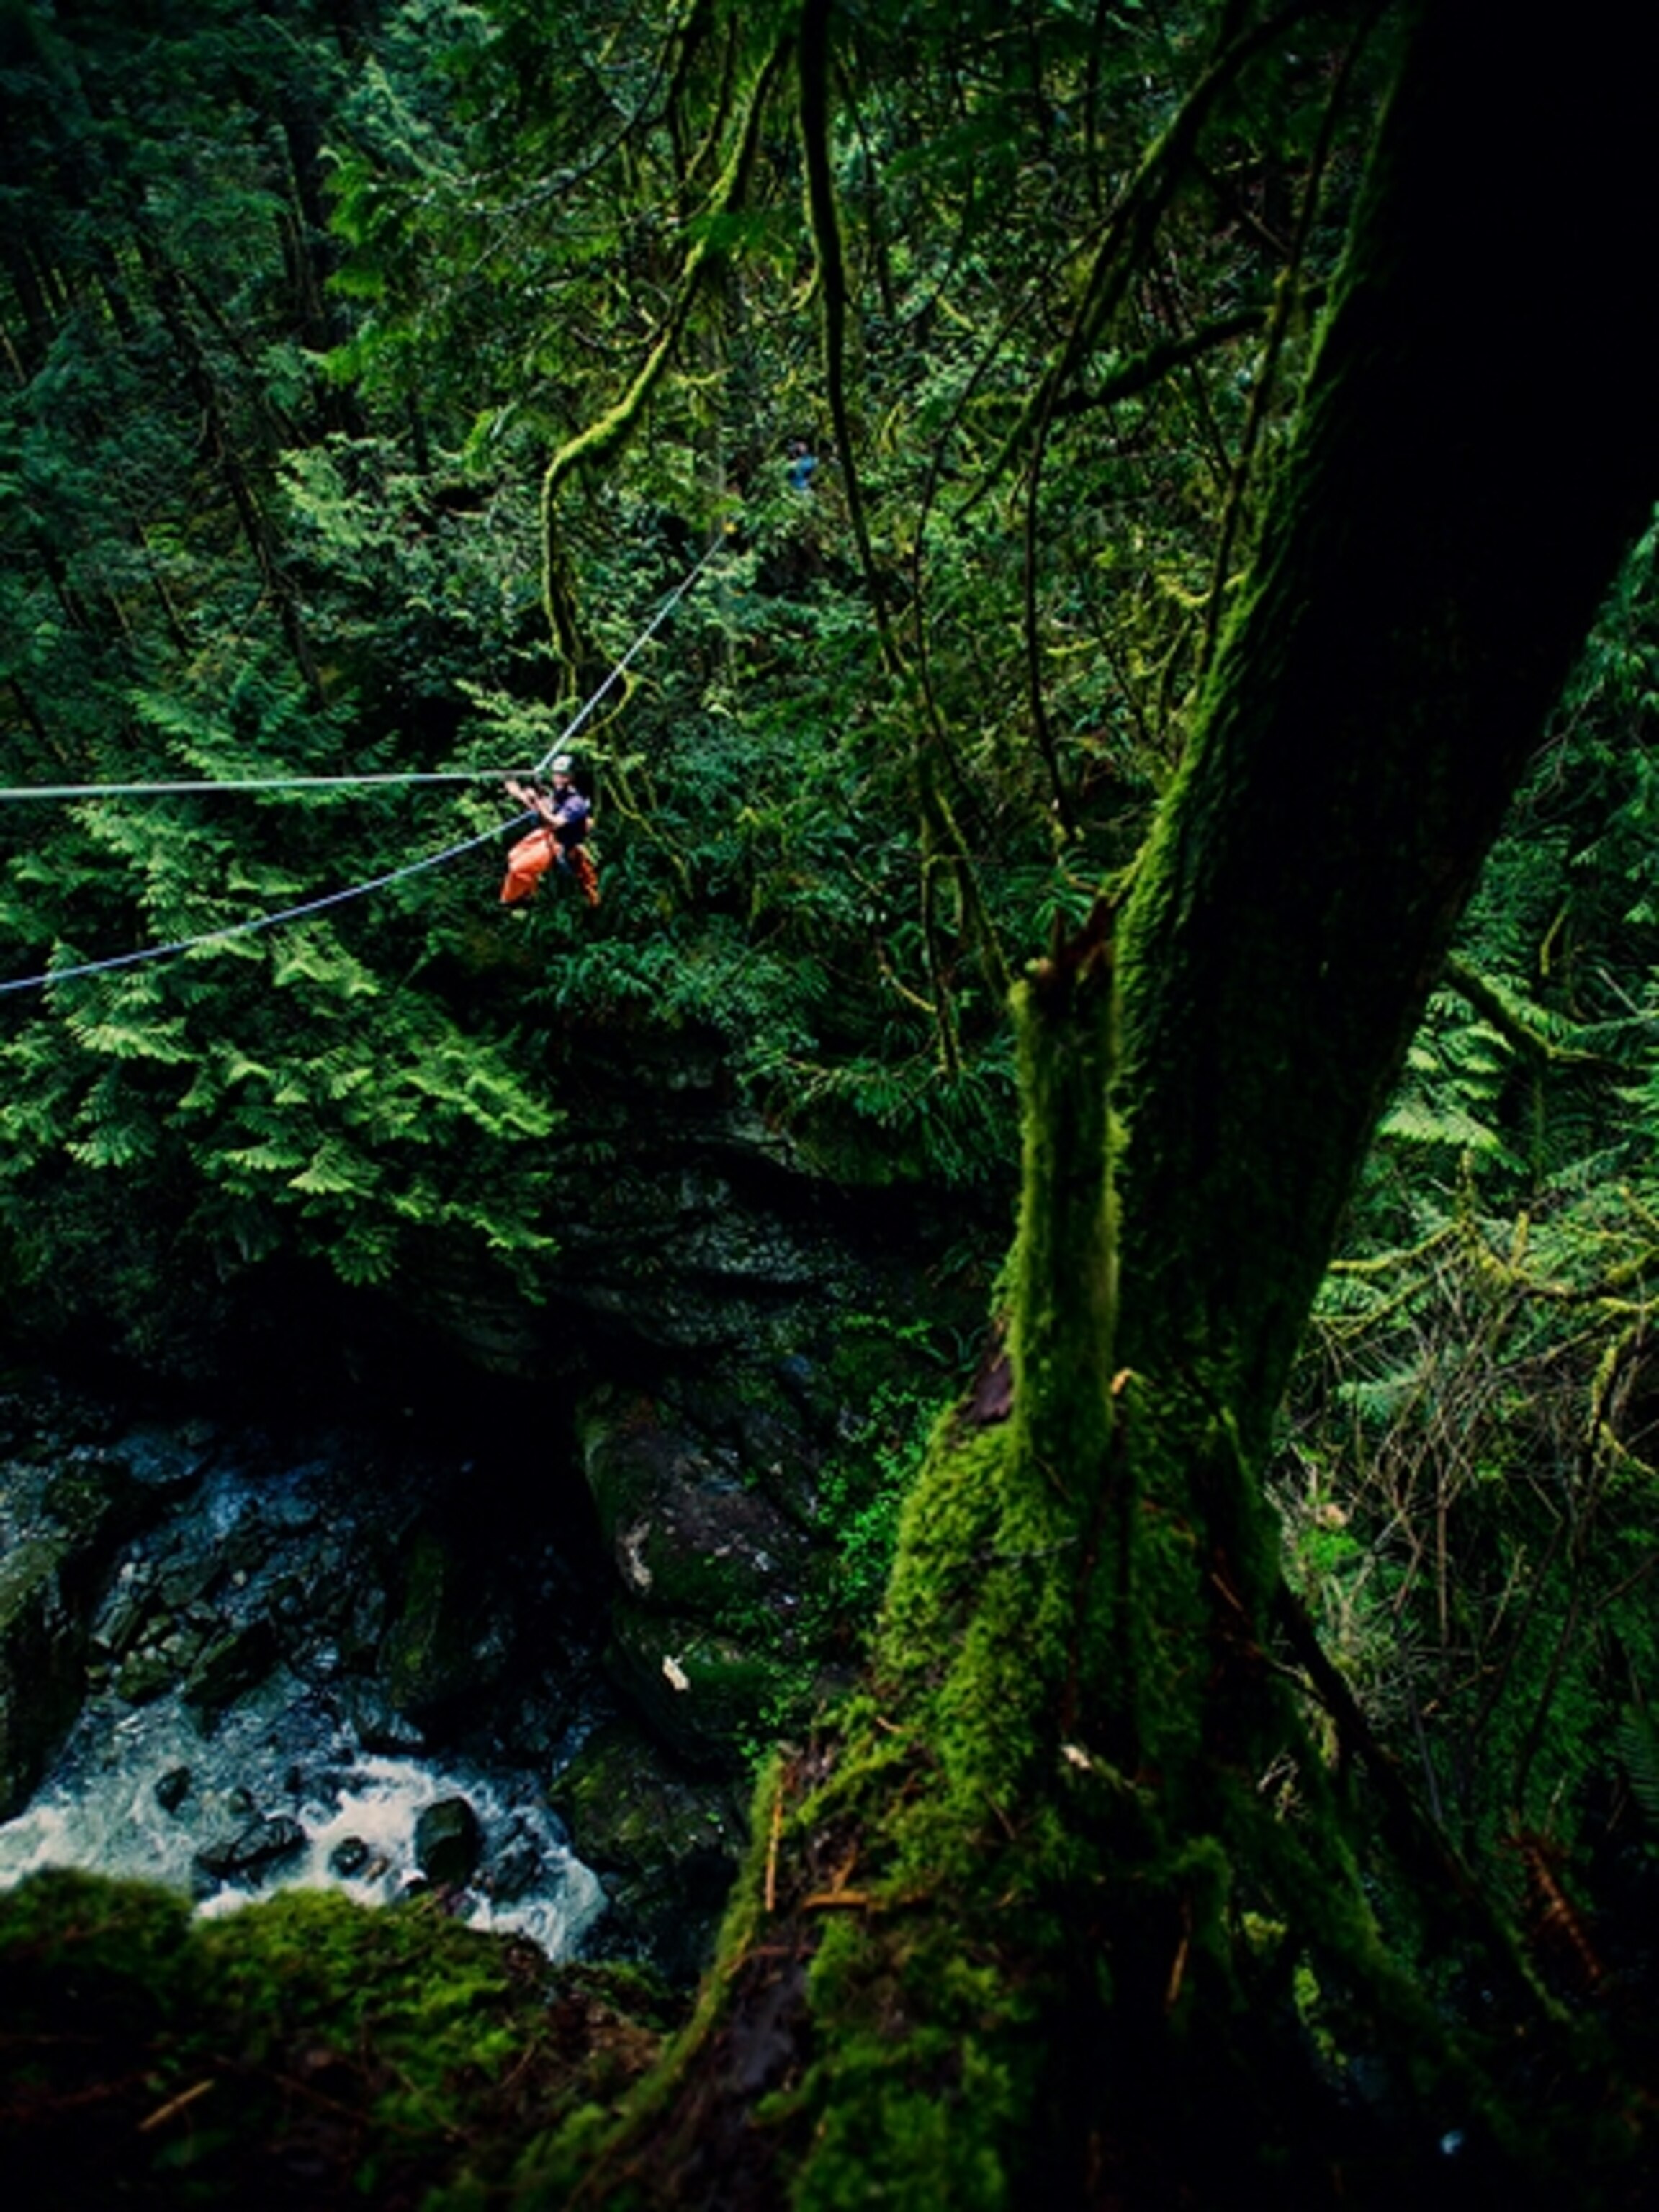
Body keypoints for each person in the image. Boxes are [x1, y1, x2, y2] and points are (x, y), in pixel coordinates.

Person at [499, 757, 599, 907]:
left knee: (517, 869)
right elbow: (541, 808)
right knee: (512, 856)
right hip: (549, 835)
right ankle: (528, 890)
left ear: (571, 778)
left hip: (560, 845)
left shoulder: (576, 803)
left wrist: (537, 801)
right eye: (556, 774)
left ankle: (512, 901)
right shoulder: (560, 794)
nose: (556, 779)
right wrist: (516, 791)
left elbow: (555, 822)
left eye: (562, 775)